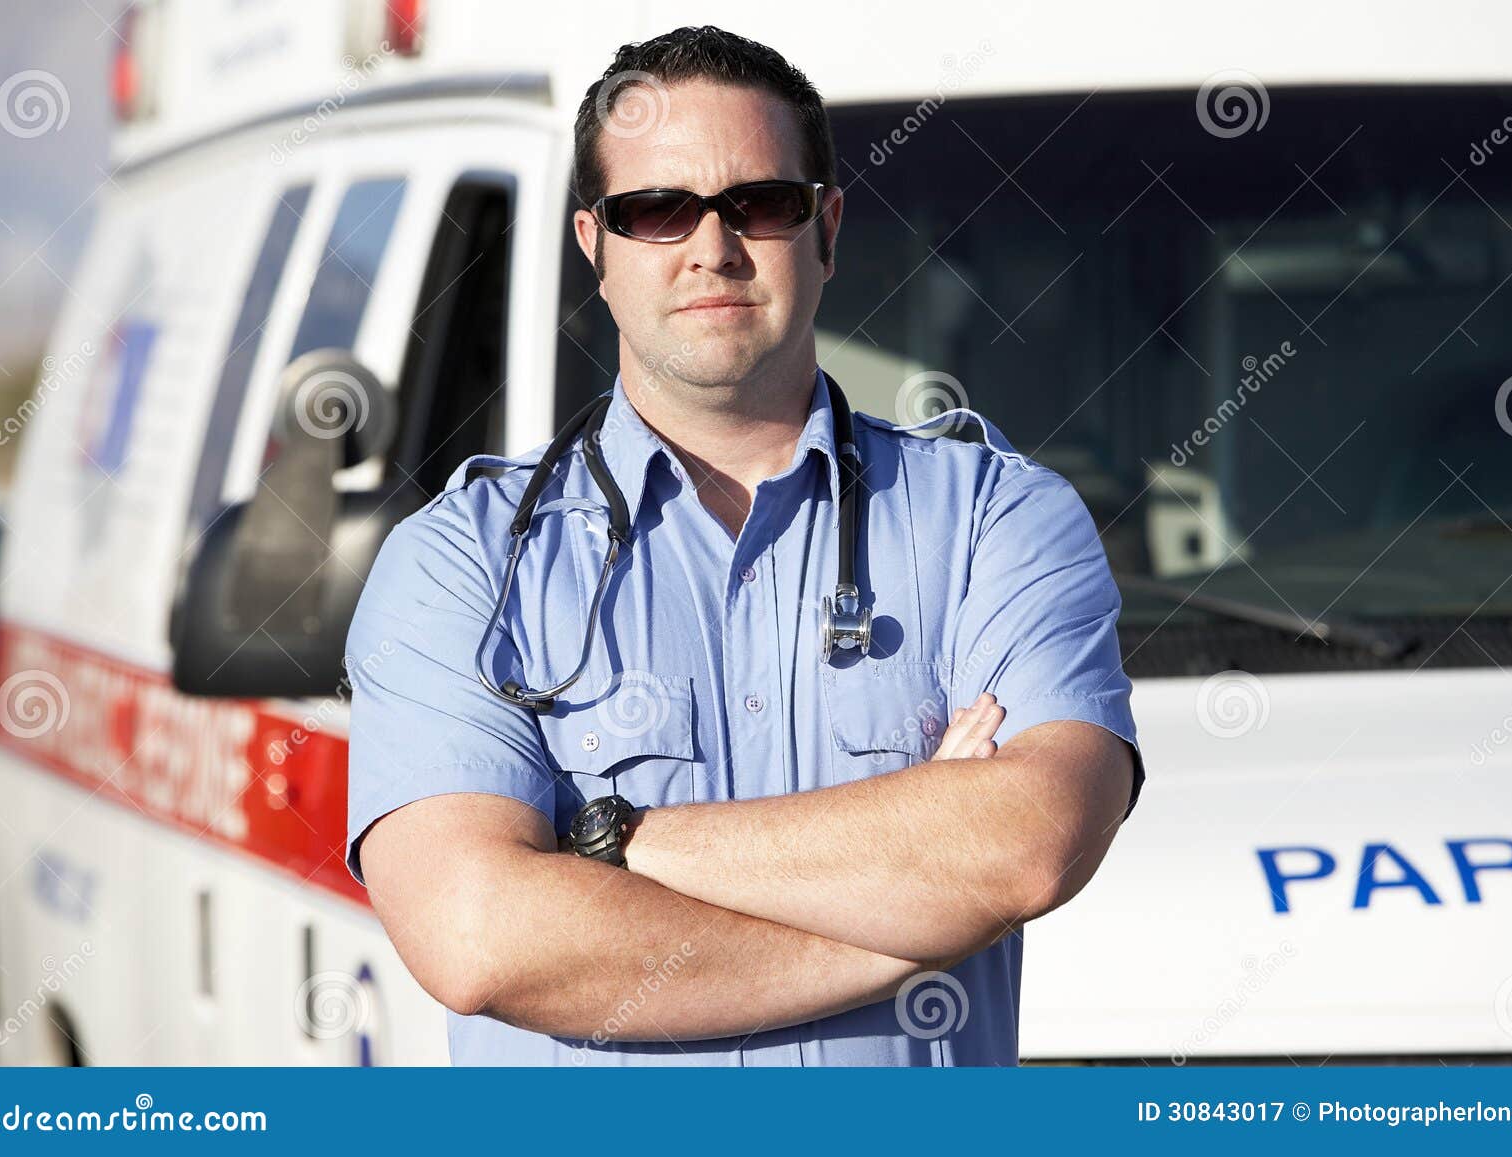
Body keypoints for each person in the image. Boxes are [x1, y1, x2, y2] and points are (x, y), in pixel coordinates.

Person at [344, 24, 1143, 1066]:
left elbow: (1028, 845)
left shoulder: (999, 516)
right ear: (595, 242)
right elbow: (479, 938)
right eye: (656, 210)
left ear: (828, 229)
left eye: (760, 204)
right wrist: (917, 912)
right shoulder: (459, 561)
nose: (710, 246)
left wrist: (610, 839)